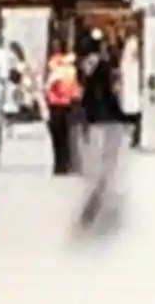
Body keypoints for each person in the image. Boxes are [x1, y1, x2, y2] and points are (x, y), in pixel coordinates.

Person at [77, 31, 132, 229]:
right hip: (108, 116)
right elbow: (109, 91)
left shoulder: (83, 67)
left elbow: (86, 92)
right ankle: (105, 183)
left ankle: (97, 182)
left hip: (93, 116)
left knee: (95, 150)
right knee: (109, 153)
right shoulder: (104, 66)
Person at [45, 40, 80, 175]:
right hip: (67, 105)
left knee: (57, 137)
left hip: (55, 105)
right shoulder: (71, 69)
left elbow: (48, 88)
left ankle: (59, 164)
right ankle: (65, 163)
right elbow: (74, 89)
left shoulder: (55, 68)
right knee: (66, 137)